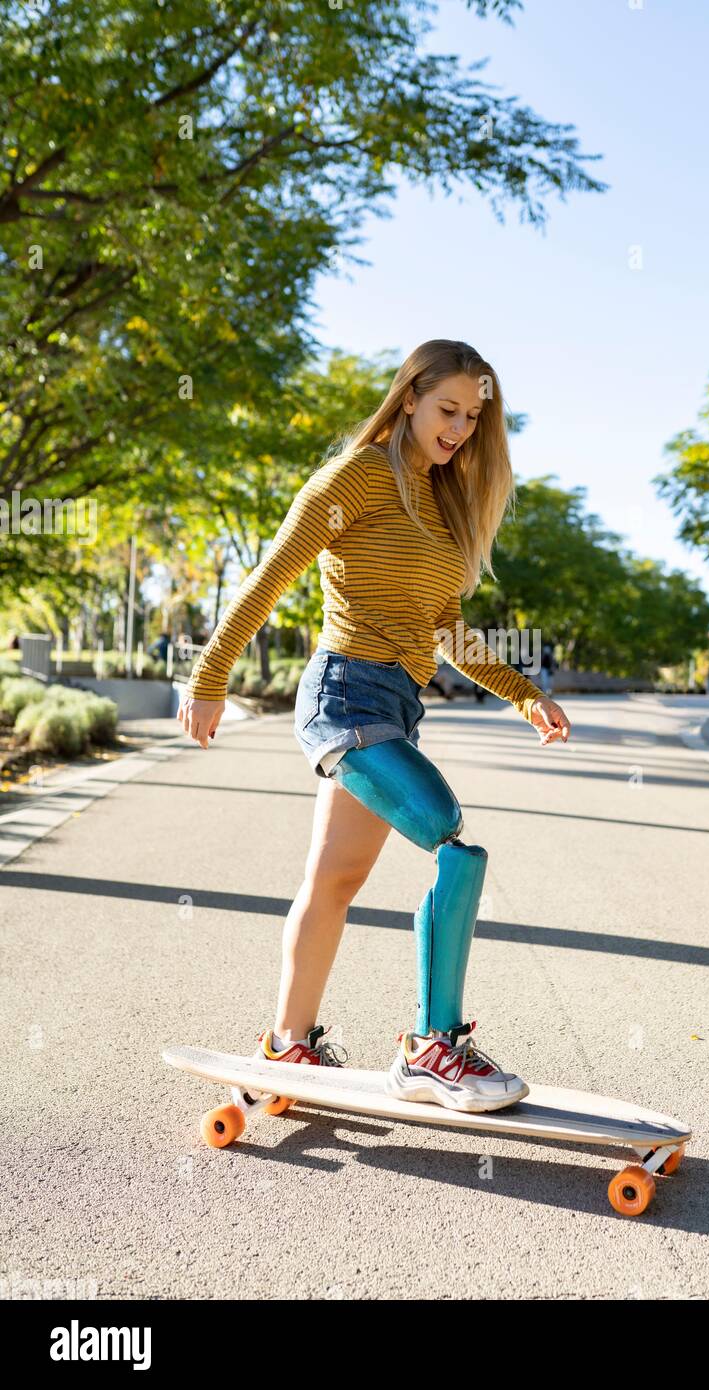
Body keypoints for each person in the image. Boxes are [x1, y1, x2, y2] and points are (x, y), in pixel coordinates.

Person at [177, 340, 571, 1114]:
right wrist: (209, 677)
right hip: (344, 699)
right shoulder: (356, 477)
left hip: (396, 707)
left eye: (473, 416)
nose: (458, 428)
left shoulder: (446, 502)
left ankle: (289, 1041)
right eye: (446, 410)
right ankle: (434, 1049)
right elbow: (270, 577)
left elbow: (446, 628)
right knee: (453, 843)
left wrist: (524, 695)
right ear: (410, 398)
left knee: (334, 881)